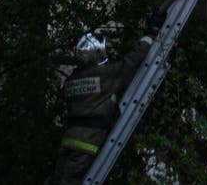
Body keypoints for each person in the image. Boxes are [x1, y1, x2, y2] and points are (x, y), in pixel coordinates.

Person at [52, 10, 166, 185]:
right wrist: (151, 32)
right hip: (88, 142)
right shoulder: (106, 75)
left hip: (69, 141)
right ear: (96, 54)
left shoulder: (72, 80)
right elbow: (134, 60)